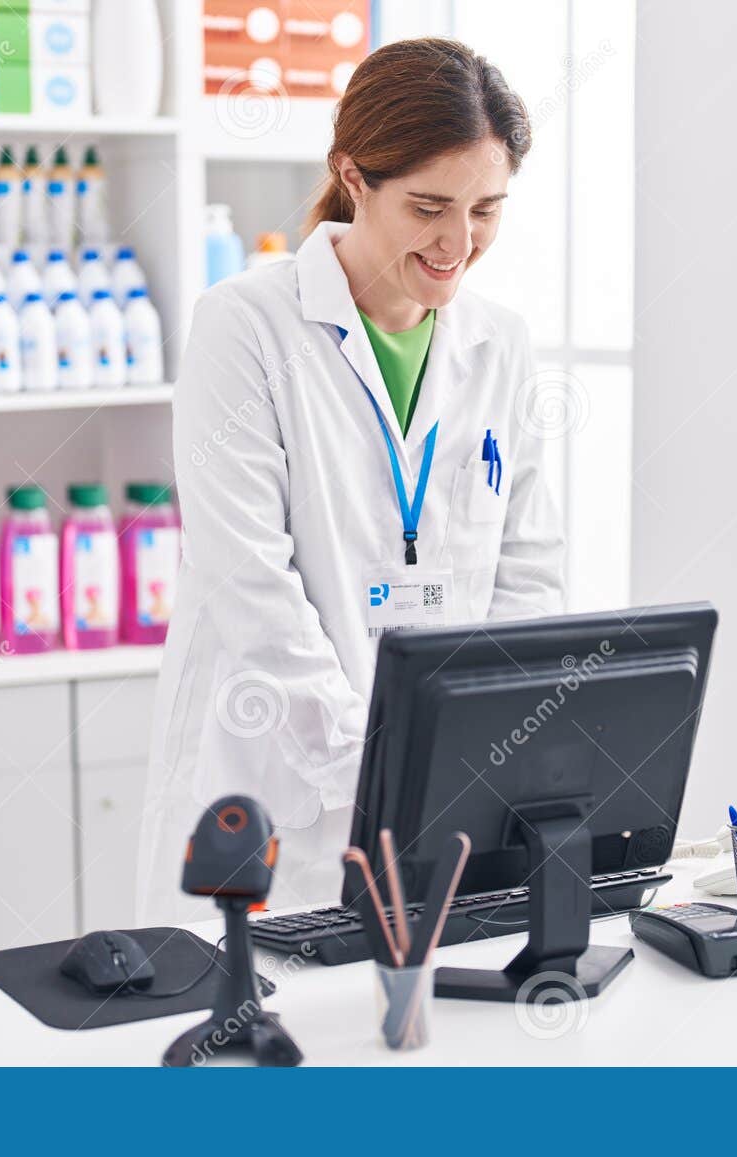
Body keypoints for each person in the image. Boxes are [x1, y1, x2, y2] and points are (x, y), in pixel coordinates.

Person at [137, 38, 564, 922]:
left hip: (446, 812)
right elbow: (250, 583)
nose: (459, 242)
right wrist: (380, 779)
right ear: (353, 176)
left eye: (487, 209)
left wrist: (493, 756)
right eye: (429, 206)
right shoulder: (245, 328)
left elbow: (528, 575)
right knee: (247, 1043)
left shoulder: (501, 344)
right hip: (269, 800)